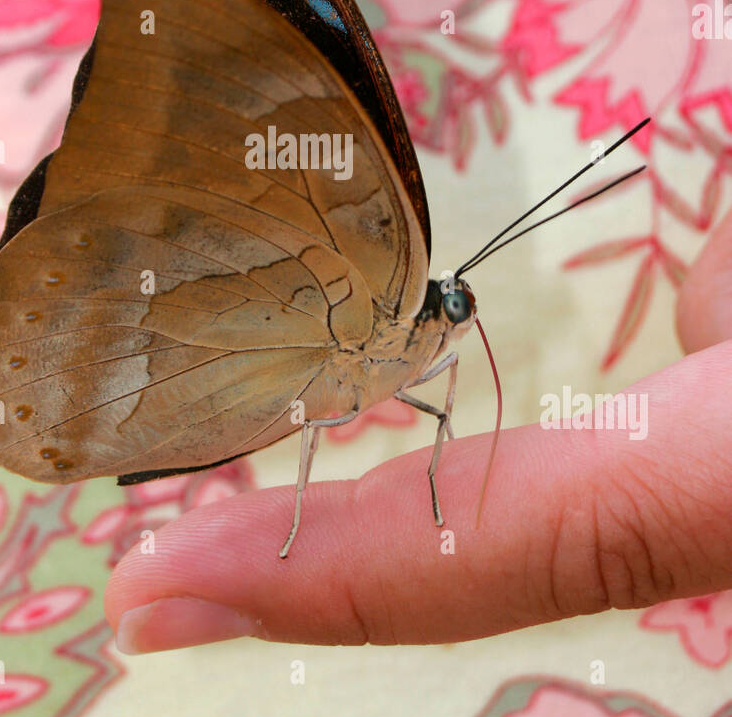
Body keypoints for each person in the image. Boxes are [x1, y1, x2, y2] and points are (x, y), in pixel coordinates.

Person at [105, 209, 732, 654]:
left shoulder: (425, 348)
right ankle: (298, 515)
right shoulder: (386, 299)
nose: (459, 321)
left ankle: (439, 468)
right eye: (457, 309)